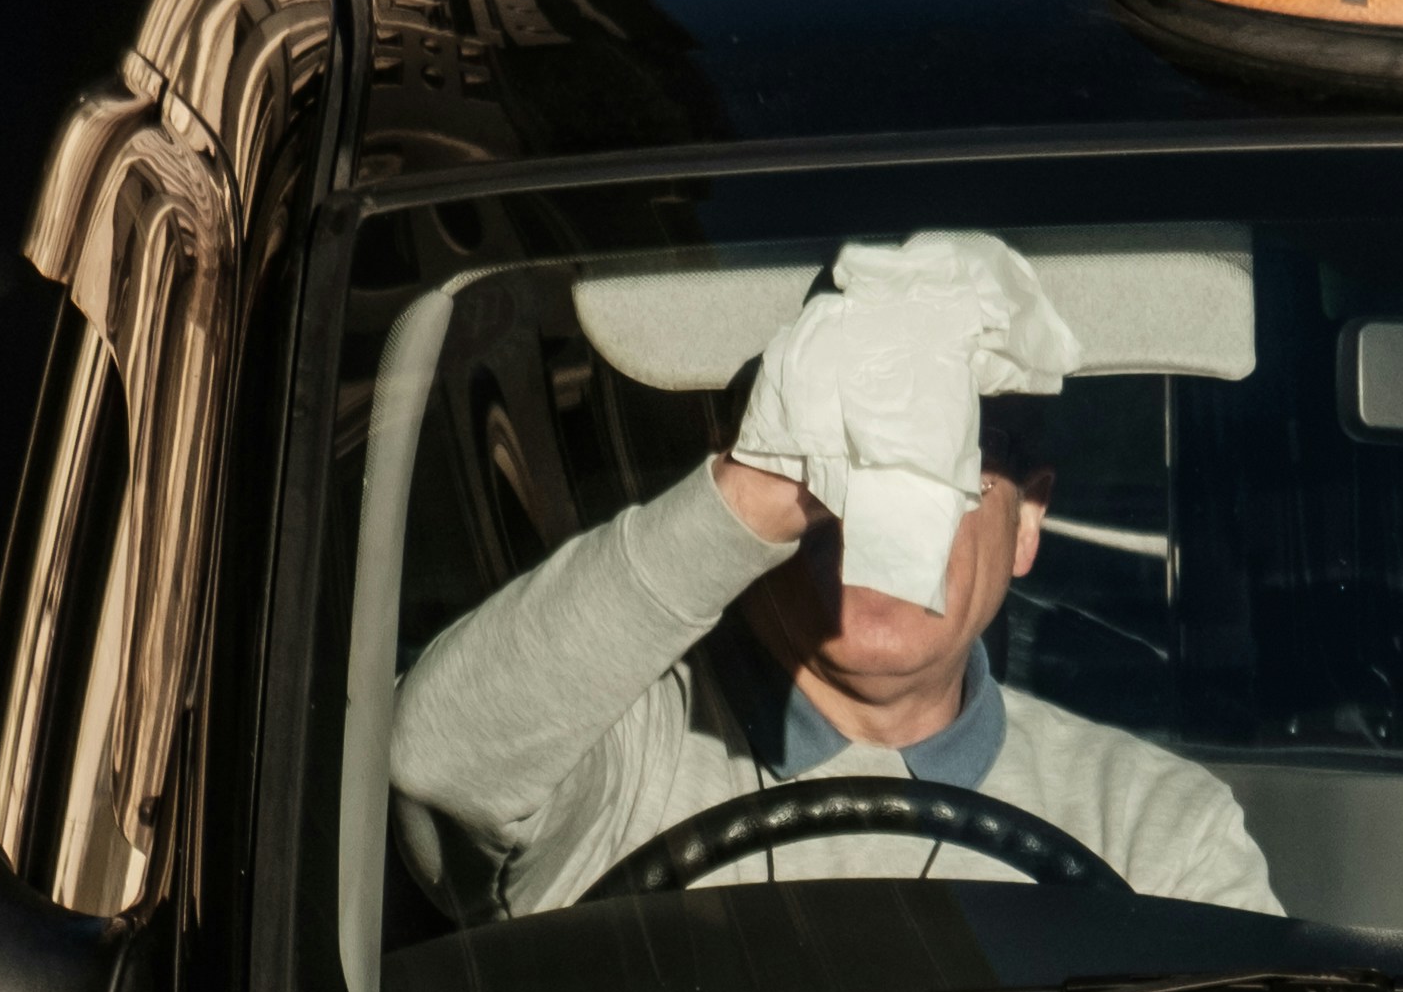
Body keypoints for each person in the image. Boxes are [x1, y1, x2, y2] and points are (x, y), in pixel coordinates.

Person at [390, 233, 1278, 914]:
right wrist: (756, 489)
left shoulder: (1156, 831)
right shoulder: (630, 757)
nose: (879, 512)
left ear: (1026, 522)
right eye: (849, 463)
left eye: (947, 462)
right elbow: (436, 759)